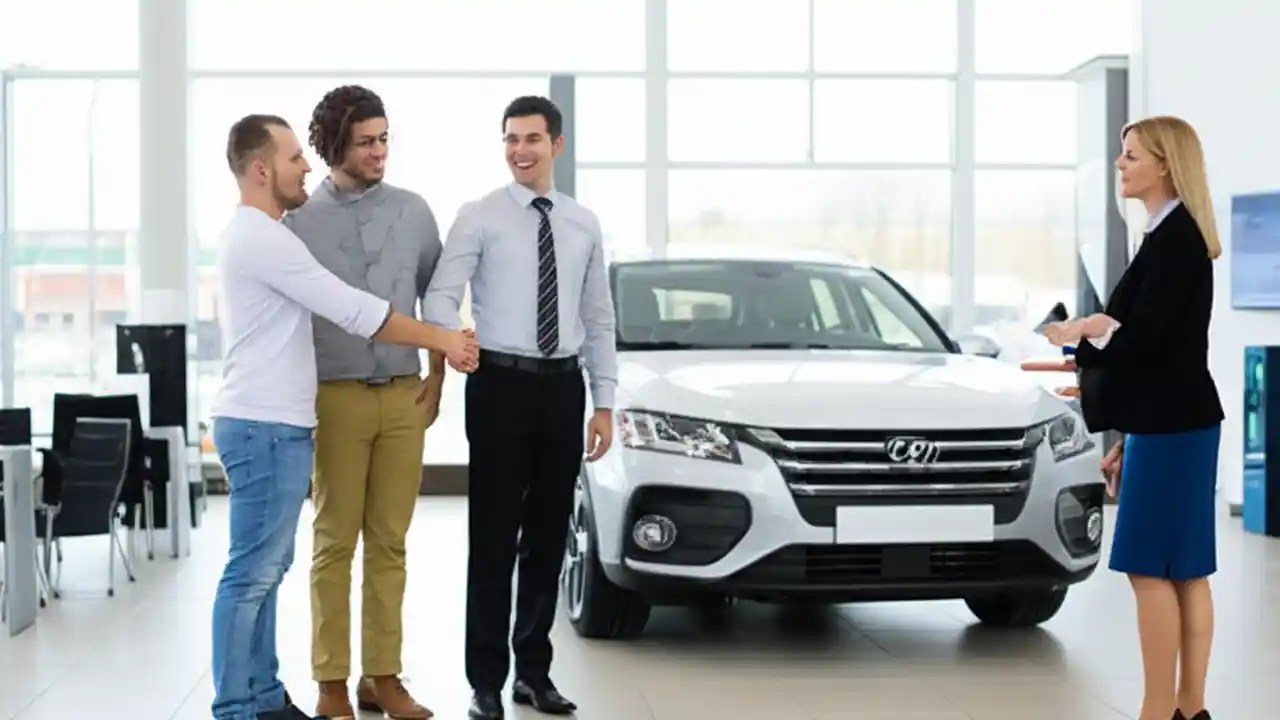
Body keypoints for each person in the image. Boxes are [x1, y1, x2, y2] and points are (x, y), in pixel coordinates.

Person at [210, 113, 477, 720]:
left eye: (386, 138)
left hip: (309, 413)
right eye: (293, 156)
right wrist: (446, 341)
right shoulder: (278, 232)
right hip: (282, 417)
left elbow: (432, 288)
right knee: (262, 570)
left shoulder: (274, 230)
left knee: (282, 565)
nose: (301, 165)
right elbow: (355, 310)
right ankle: (256, 701)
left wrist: (434, 366)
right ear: (261, 169)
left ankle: (275, 693)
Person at [423, 95, 617, 720]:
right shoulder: (478, 216)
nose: (520, 151)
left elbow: (598, 318)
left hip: (564, 389)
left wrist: (604, 401)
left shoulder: (583, 223)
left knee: (547, 536)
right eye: (511, 139)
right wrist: (454, 342)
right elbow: (440, 294)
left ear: (556, 145)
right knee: (493, 538)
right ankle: (485, 681)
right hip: (500, 386)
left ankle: (533, 672)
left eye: (532, 139)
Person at [1044, 115, 1223, 720]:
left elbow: (1142, 341)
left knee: (1151, 571)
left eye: (1130, 155)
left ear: (1164, 164)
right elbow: (1161, 347)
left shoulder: (1173, 242)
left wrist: (1082, 348)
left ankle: (1158, 711)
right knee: (1186, 573)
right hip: (1175, 423)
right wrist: (1129, 433)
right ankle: (1188, 709)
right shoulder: (1173, 235)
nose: (1120, 165)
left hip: (1171, 425)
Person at [282, 85, 440, 720]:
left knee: (391, 542)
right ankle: (329, 682)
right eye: (365, 142)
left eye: (383, 139)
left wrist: (438, 376)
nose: (379, 152)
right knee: (333, 542)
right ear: (333, 148)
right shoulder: (297, 225)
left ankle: (383, 677)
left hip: (404, 396)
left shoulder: (415, 211)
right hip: (335, 399)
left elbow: (438, 299)